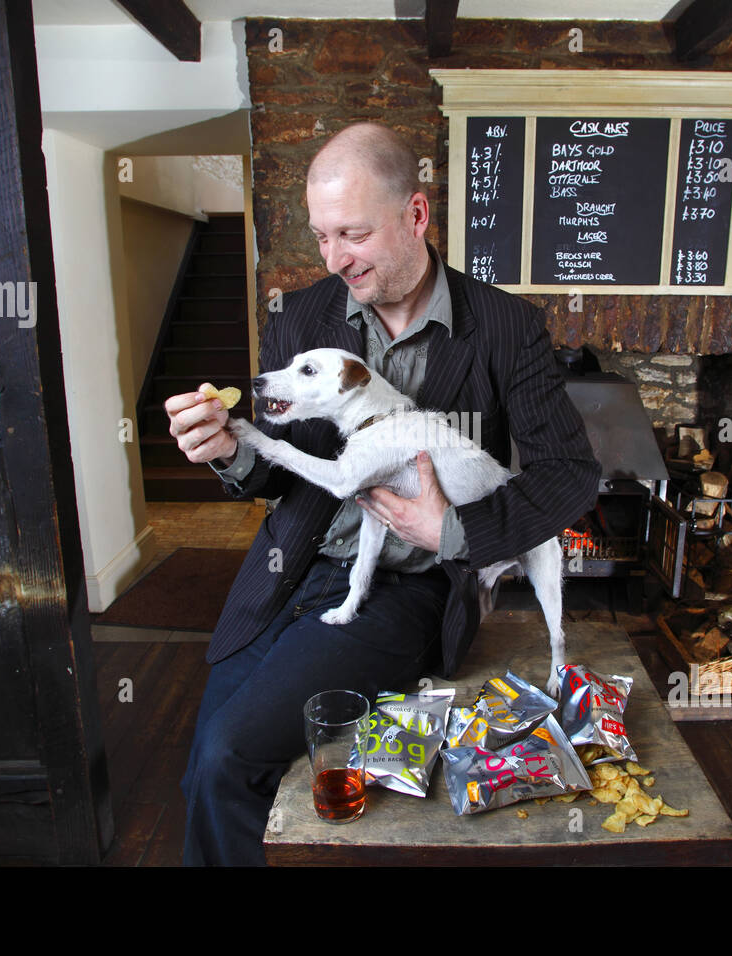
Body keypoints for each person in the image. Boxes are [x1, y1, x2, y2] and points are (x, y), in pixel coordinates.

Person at [168, 122, 599, 866]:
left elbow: (569, 473)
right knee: (202, 767)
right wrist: (233, 450)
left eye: (353, 233)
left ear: (417, 215)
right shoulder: (300, 318)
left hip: (407, 589)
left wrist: (454, 532)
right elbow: (279, 471)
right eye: (321, 235)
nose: (334, 259)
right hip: (288, 574)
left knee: (225, 757)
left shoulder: (506, 328)